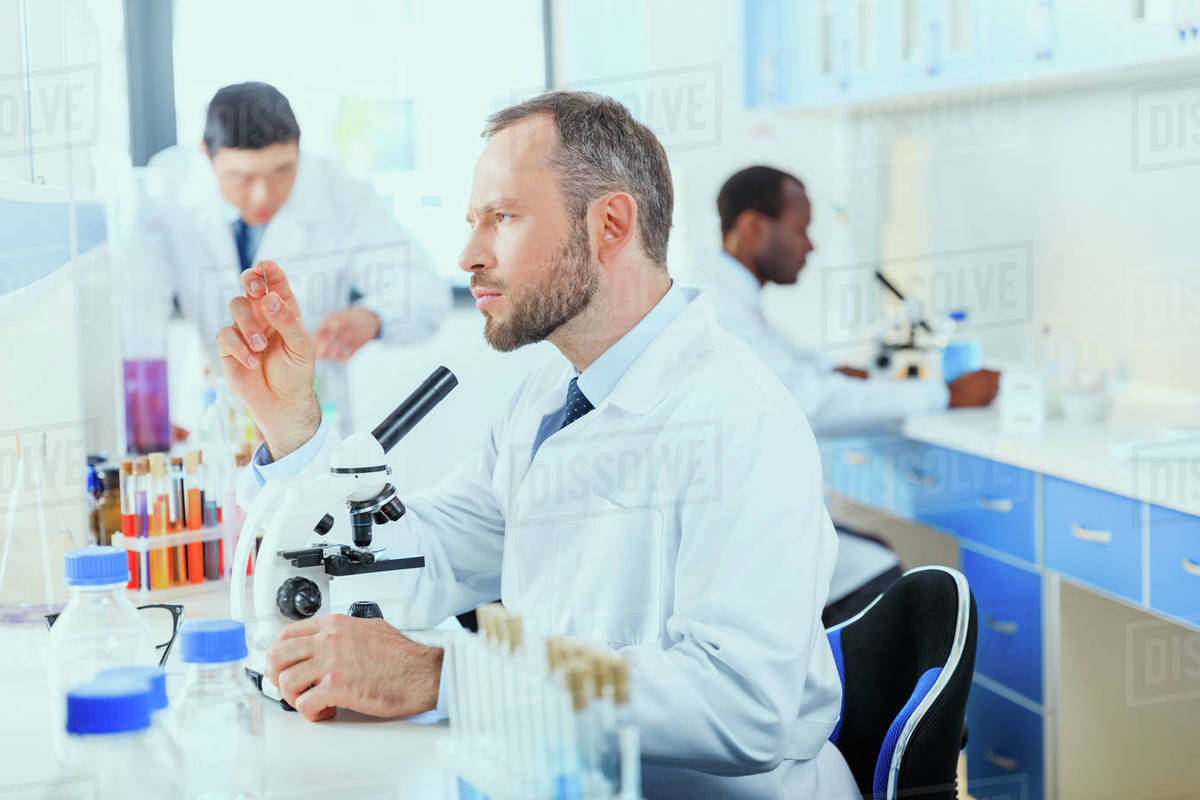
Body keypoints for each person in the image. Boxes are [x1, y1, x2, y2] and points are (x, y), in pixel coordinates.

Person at [219, 93, 859, 798]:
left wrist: (442, 676)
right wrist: (292, 425)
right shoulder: (551, 392)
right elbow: (421, 553)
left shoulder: (740, 417)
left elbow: (742, 706)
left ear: (609, 225)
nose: (469, 254)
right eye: (473, 223)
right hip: (554, 773)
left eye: (503, 218)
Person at [700, 165, 1001, 625]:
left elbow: (787, 361)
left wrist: (847, 371)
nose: (810, 245)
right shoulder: (721, 304)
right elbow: (808, 400)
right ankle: (873, 698)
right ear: (754, 226)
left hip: (741, 523)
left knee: (874, 550)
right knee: (884, 579)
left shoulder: (721, 291)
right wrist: (943, 395)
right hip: (744, 542)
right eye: (800, 229)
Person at [129, 82, 449, 434]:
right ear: (206, 155)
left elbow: (425, 290)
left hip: (311, 411)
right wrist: (147, 413)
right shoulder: (168, 188)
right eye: (241, 177)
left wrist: (372, 318)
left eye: (282, 171)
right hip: (212, 411)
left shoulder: (339, 192)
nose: (262, 194)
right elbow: (137, 306)